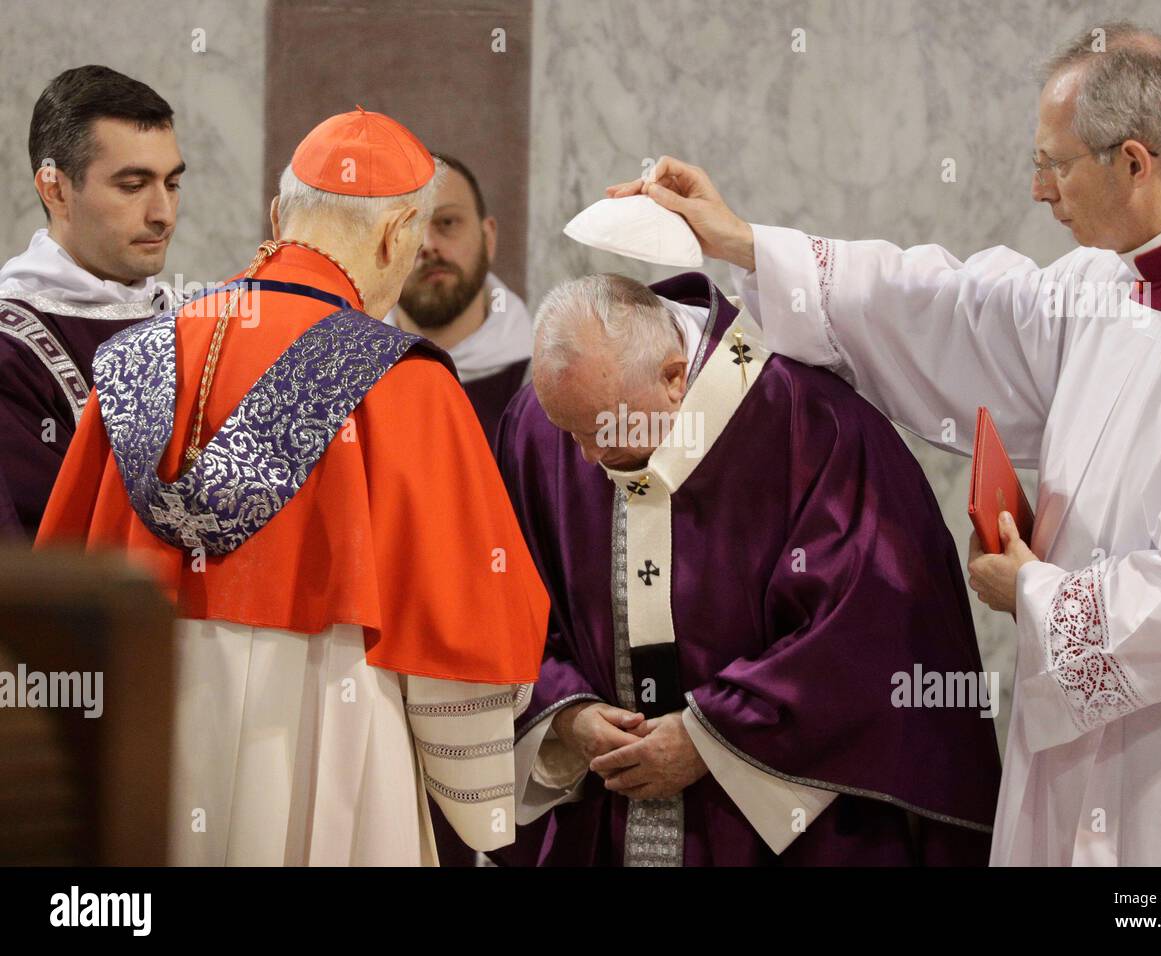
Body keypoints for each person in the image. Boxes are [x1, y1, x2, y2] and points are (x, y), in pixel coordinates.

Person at [612, 22, 1161, 865]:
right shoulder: (1106, 285)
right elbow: (951, 309)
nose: (1040, 189)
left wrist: (1035, 594)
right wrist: (744, 243)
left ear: (1133, 161)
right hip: (1091, 748)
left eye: (1056, 162)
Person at [36, 108, 549, 866]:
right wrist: (481, 797)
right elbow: (466, 642)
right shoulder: (406, 382)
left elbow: (57, 593)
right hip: (330, 735)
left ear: (280, 215)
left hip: (141, 744)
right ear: (394, 232)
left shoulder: (138, 357)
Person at [494, 270, 1001, 866]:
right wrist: (568, 714)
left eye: (607, 430)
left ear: (675, 377)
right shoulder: (543, 421)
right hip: (604, 815)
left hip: (778, 827)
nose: (588, 457)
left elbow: (874, 625)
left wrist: (711, 739)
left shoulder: (810, 425)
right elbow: (502, 605)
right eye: (573, 433)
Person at [1, 65, 181, 538]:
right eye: (132, 185)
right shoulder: (11, 351)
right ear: (55, 189)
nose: (163, 214)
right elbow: (31, 567)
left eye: (172, 184)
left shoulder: (194, 321)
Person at [387, 152, 531, 443]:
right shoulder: (352, 380)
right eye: (407, 228)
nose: (427, 245)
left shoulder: (542, 382)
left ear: (488, 238)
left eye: (447, 222)